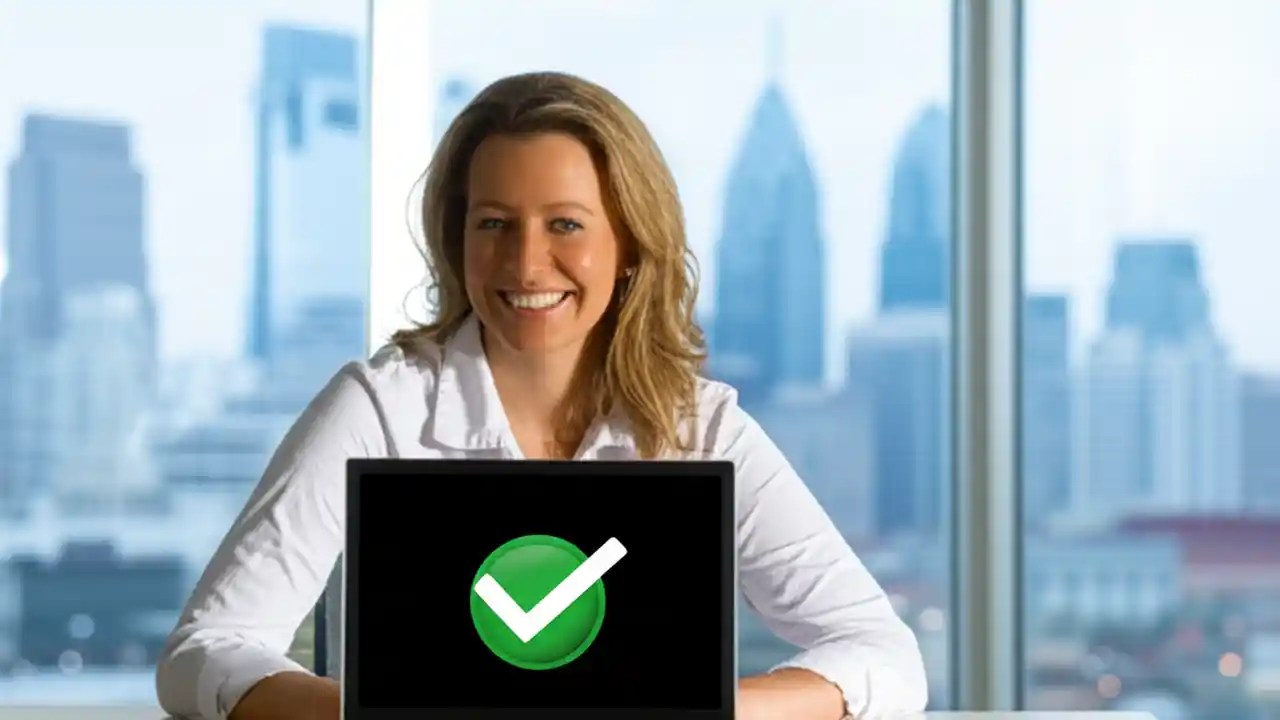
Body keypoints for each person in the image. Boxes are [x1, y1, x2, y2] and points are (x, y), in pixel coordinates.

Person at [155, 70, 927, 720]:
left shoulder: (701, 427)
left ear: (628, 245)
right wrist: (386, 712)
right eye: (493, 223)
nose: (526, 263)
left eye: (565, 224)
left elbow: (885, 659)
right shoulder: (381, 408)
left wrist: (698, 708)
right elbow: (203, 653)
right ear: (457, 239)